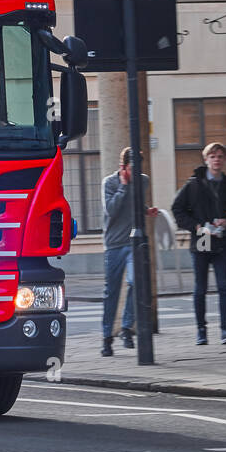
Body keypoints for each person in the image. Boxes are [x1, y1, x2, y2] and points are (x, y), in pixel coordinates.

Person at [172, 142, 226, 346]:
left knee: (224, 286)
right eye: (213, 156)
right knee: (201, 287)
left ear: (225, 160)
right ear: (206, 159)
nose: (217, 160)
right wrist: (196, 227)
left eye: (220, 156)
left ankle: (225, 329)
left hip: (222, 239)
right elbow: (177, 210)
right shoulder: (194, 184)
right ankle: (201, 331)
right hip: (203, 237)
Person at [100, 147, 159, 356]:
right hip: (114, 245)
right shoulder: (109, 183)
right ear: (123, 167)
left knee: (136, 282)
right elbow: (112, 210)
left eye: (139, 168)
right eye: (132, 168)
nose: (136, 173)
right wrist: (123, 187)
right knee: (111, 292)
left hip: (133, 244)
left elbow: (135, 204)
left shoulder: (142, 181)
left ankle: (126, 328)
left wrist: (146, 209)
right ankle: (106, 337)